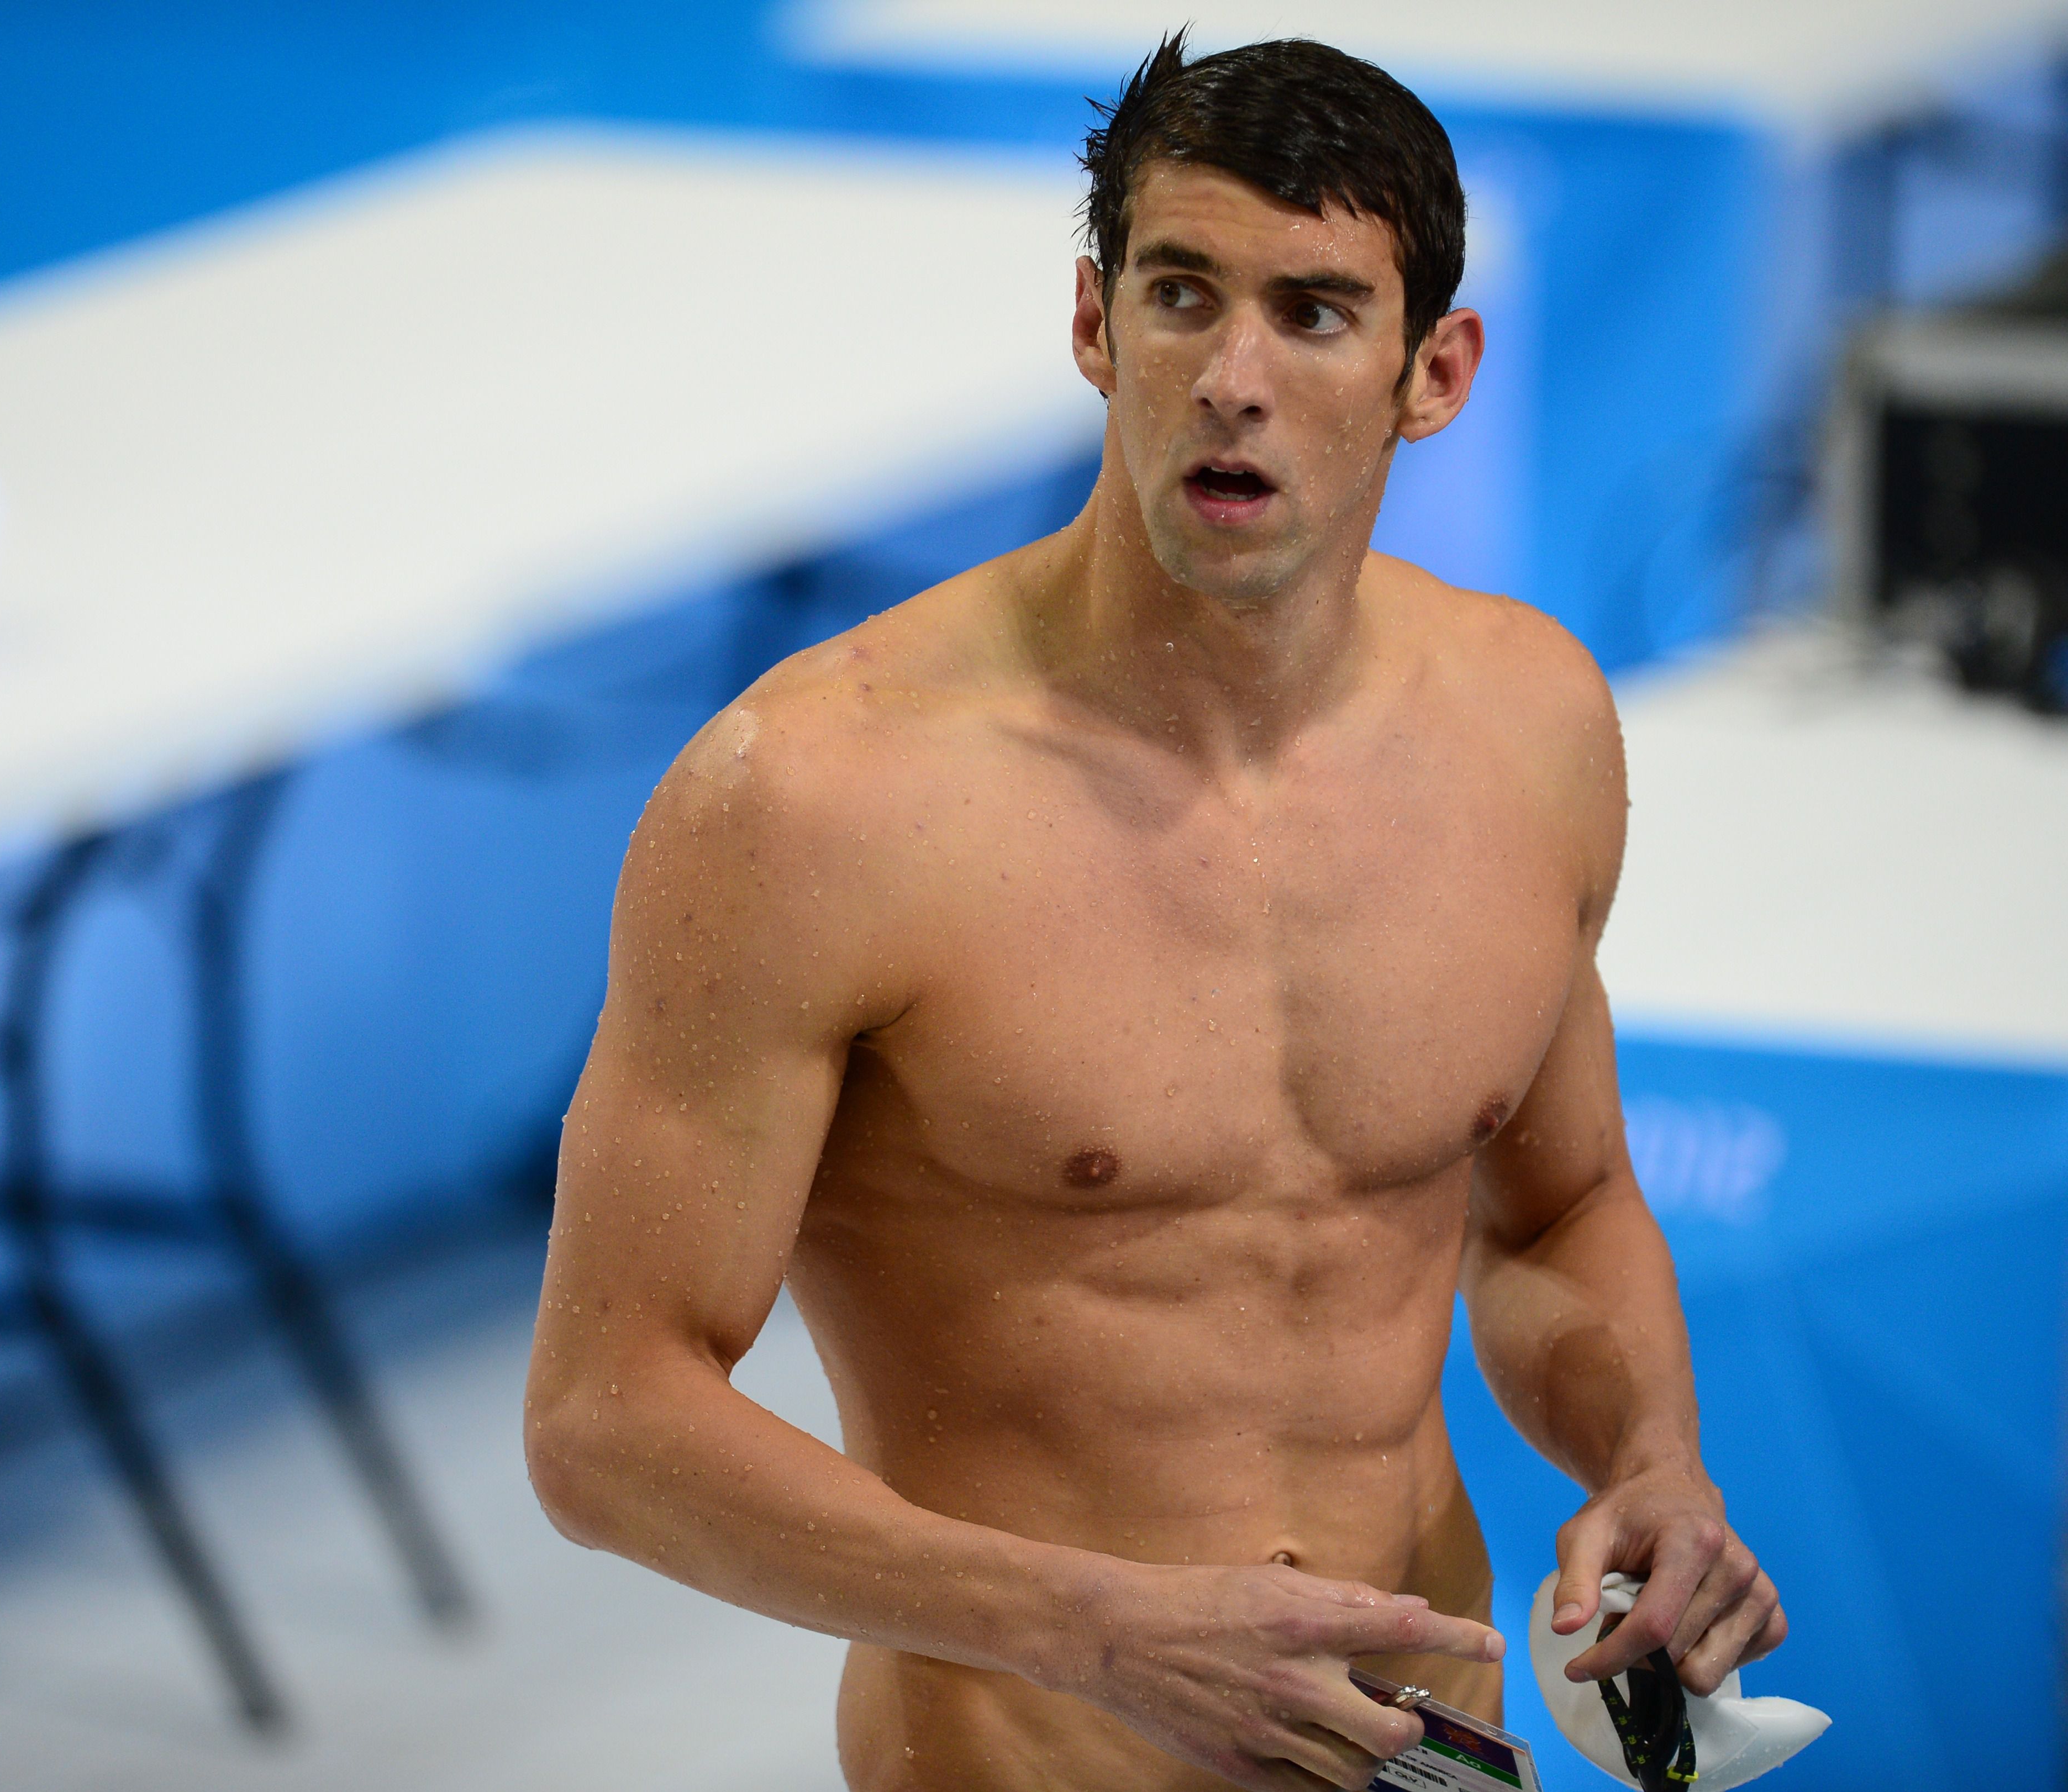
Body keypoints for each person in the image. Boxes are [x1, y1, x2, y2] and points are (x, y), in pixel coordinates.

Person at [523, 33, 1786, 1792]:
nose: (1230, 378)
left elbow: (1560, 1205)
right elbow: (603, 1423)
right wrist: (1090, 1627)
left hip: (1434, 1754)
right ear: (1090, 326)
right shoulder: (812, 801)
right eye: (1179, 295)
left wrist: (1650, 1462)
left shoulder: (1530, 723)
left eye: (1313, 314)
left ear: (1435, 372)